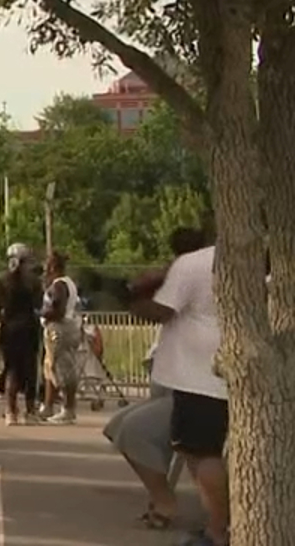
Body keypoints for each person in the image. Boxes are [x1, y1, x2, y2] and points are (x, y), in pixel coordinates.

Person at [103, 227, 207, 531]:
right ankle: (163, 494)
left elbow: (156, 310)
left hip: (196, 388)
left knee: (136, 430)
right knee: (118, 425)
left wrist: (130, 293)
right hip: (175, 380)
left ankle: (168, 503)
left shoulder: (196, 272)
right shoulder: (186, 271)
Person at [133, 231, 227, 546]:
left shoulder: (193, 263)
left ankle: (218, 530)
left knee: (202, 453)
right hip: (220, 374)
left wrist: (131, 296)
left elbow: (161, 311)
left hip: (198, 378)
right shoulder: (257, 259)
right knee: (204, 451)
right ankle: (222, 526)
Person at [0, 243, 43, 425]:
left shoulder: (0, 279)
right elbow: (38, 305)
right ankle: (30, 411)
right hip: (29, 327)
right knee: (30, 369)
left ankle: (10, 410)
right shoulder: (34, 281)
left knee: (11, 369)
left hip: (8, 328)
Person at [40, 251, 84, 423]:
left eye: (47, 265)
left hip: (60, 328)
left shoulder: (59, 285)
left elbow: (58, 309)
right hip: (64, 326)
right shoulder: (67, 283)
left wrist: (41, 313)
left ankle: (68, 409)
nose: (44, 268)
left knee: (63, 368)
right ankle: (48, 406)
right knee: (50, 367)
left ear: (52, 266)